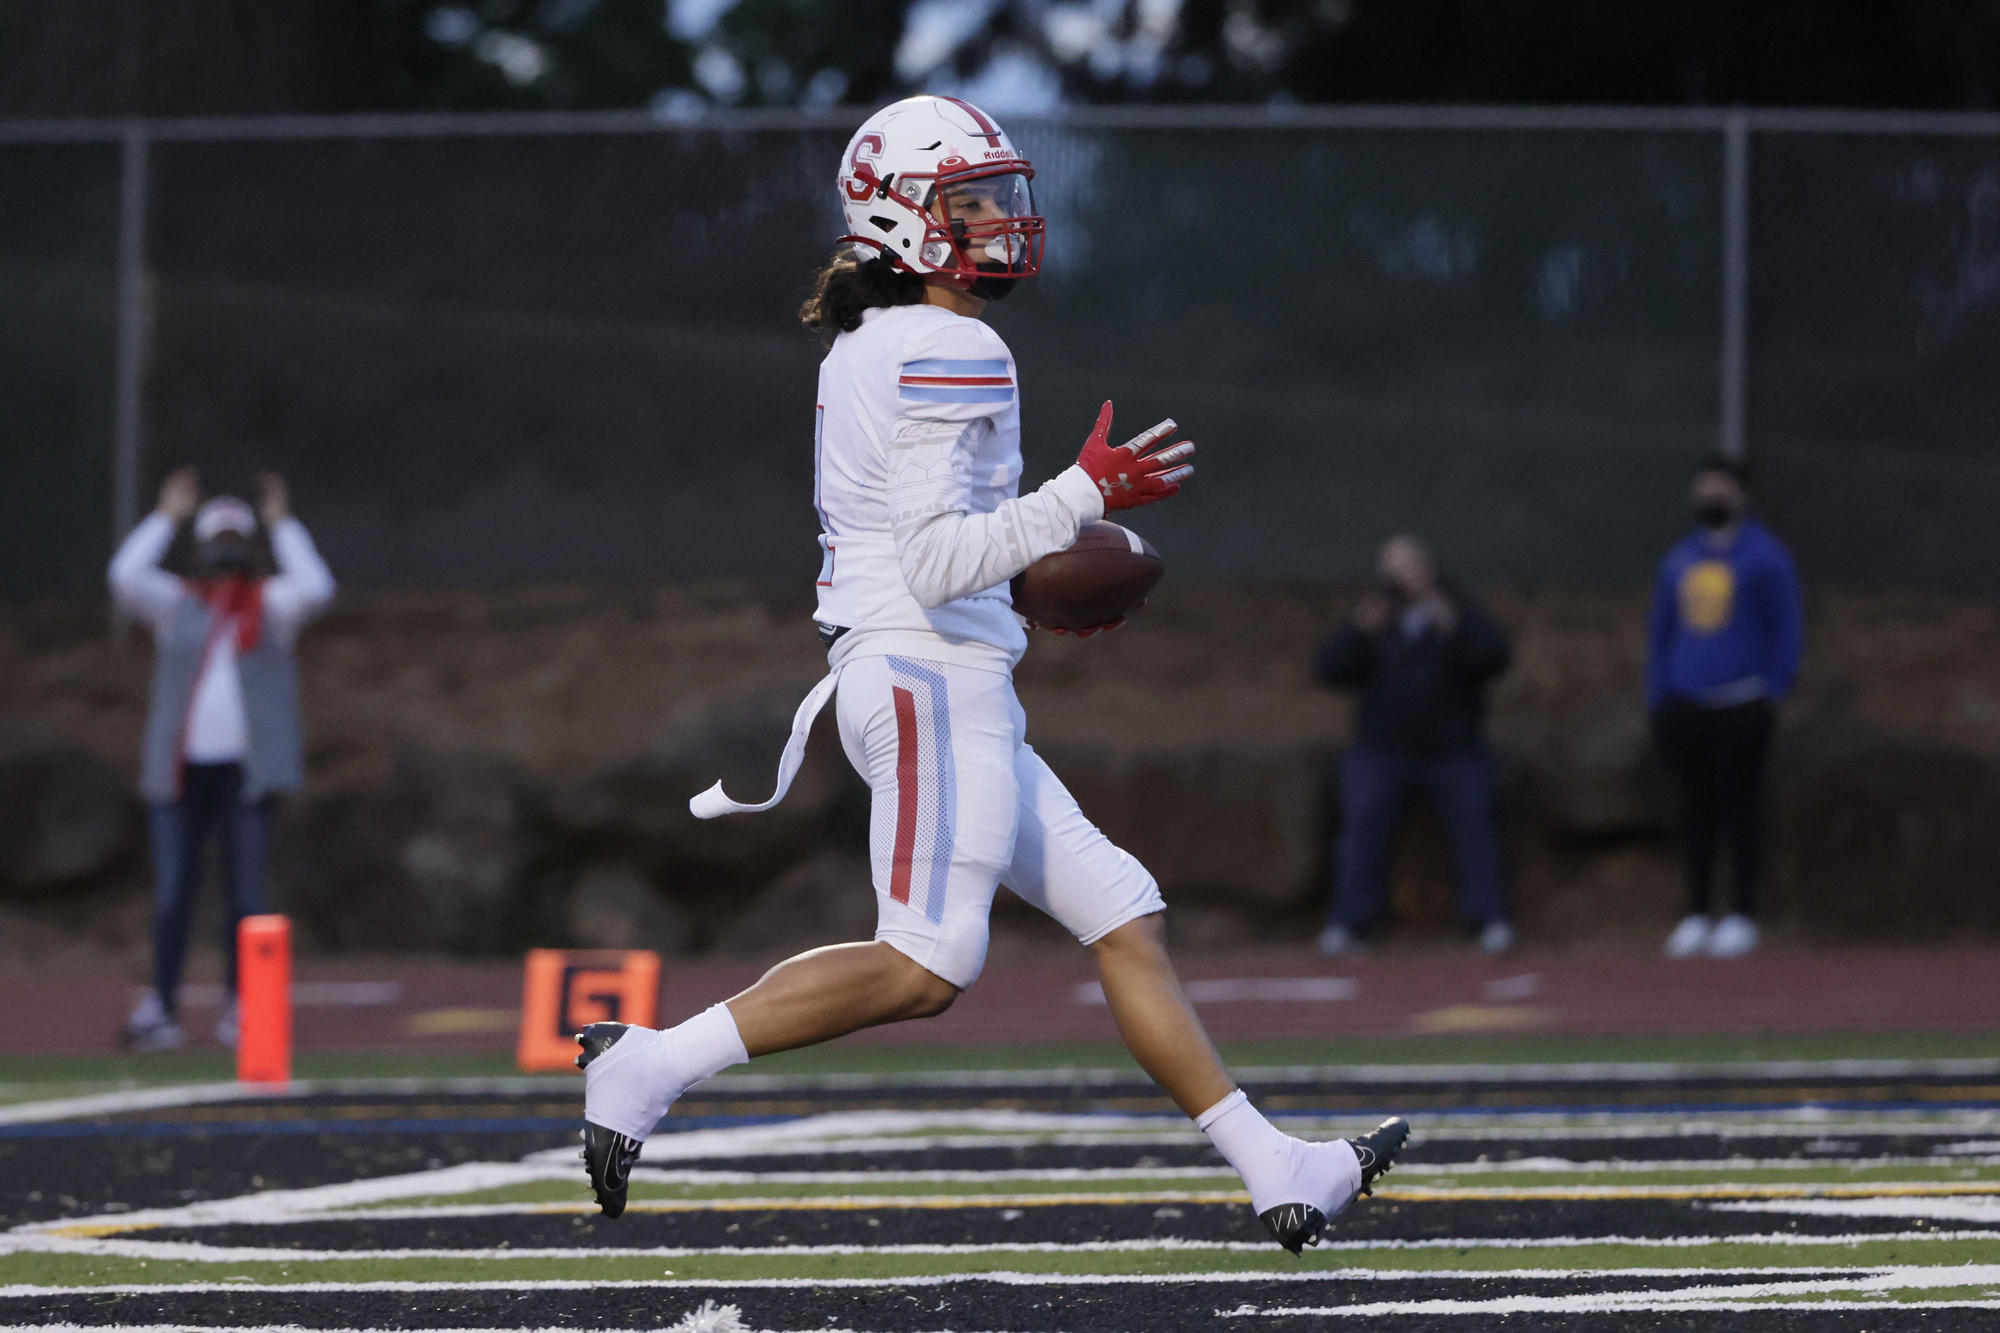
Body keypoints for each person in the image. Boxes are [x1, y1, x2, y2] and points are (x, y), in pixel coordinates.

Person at [574, 95, 1407, 1254]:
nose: (998, 221)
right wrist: (1083, 496)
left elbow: (923, 543)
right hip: (922, 678)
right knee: (925, 961)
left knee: (1120, 913)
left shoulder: (876, 339)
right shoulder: (949, 342)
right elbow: (929, 559)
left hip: (943, 673)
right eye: (967, 202)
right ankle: (647, 1066)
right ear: (900, 215)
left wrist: (1018, 586)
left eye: (997, 196)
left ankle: (1279, 1165)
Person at [109, 468, 335, 1050]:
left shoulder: (272, 608)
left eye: (236, 538)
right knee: (172, 893)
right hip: (182, 775)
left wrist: (283, 525)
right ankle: (161, 1008)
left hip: (247, 776)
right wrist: (167, 515)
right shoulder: (174, 606)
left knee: (247, 898)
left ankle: (245, 1009)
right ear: (202, 545)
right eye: (217, 539)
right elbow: (125, 575)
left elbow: (317, 585)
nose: (226, 551)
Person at [1314, 535, 1515, 958]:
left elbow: (1495, 657)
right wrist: (1357, 631)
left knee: (1475, 822)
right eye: (1391, 568)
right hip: (1382, 749)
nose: (1399, 578)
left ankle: (1489, 919)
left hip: (1454, 748)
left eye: (1408, 567)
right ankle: (1349, 923)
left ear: (1428, 569)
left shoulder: (1455, 610)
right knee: (1362, 822)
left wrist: (1454, 627)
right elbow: (1329, 669)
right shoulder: (1375, 618)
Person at [1647, 455, 1803, 960]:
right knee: (1694, 810)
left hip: (1742, 703)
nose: (1711, 497)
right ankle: (1696, 913)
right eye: (1704, 488)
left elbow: (1787, 629)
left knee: (1741, 809)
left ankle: (1741, 914)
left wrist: (1772, 690)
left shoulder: (1766, 557)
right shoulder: (1679, 559)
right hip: (1686, 704)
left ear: (1741, 495)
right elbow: (1661, 632)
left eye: (1721, 488)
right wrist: (1660, 694)